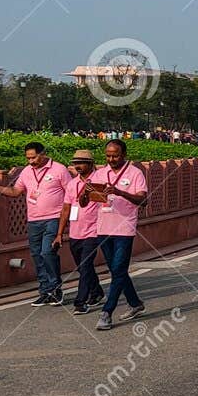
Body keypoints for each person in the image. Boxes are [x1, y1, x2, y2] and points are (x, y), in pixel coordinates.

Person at [0, 141, 68, 305]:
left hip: (53, 218)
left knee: (48, 252)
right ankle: (45, 291)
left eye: (34, 157)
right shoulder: (26, 171)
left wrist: (67, 219)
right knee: (37, 255)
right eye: (28, 158)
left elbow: (70, 194)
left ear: (43, 153)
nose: (31, 161)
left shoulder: (59, 169)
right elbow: (15, 191)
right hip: (33, 220)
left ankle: (56, 289)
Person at [89, 138, 149, 331]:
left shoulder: (135, 173)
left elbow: (143, 200)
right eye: (108, 155)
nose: (111, 159)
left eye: (115, 155)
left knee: (119, 268)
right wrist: (85, 193)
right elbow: (87, 200)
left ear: (124, 155)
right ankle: (135, 303)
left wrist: (120, 192)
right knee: (117, 271)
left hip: (124, 228)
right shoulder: (99, 173)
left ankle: (107, 312)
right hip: (103, 227)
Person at [60, 148, 105, 313]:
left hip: (94, 230)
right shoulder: (72, 184)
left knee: (85, 265)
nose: (77, 166)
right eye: (75, 163)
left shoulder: (100, 180)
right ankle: (96, 291)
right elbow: (66, 208)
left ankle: (80, 302)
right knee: (82, 266)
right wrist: (59, 234)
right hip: (75, 230)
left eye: (81, 163)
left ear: (90, 164)